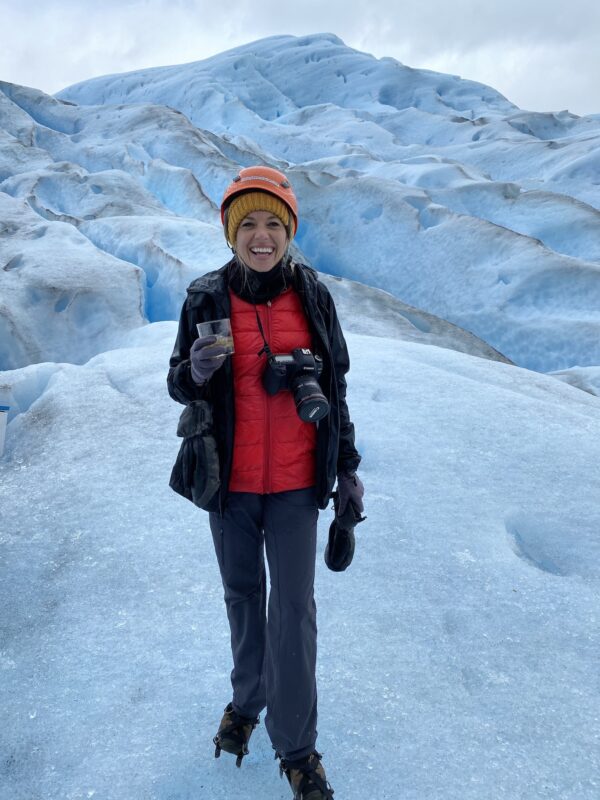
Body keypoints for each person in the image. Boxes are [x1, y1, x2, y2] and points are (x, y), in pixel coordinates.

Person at [167, 165, 364, 800]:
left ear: (289, 231)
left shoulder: (313, 297)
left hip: (296, 487)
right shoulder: (204, 297)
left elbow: (335, 388)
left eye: (272, 224)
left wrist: (348, 471)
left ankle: (297, 747)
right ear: (229, 232)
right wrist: (194, 371)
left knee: (294, 613)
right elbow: (176, 380)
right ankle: (246, 702)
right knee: (242, 596)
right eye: (247, 223)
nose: (260, 235)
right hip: (228, 484)